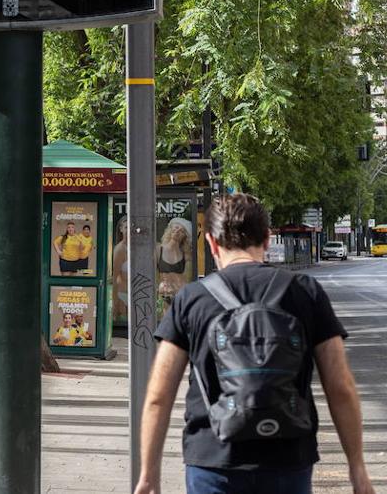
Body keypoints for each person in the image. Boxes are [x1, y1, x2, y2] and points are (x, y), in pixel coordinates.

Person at [134, 194, 373, 494]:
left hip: (212, 460)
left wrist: (149, 474)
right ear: (267, 238)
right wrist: (357, 469)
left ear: (211, 242)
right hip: (288, 460)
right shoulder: (306, 292)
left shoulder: (191, 299)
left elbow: (159, 395)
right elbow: (340, 387)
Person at [157, 217, 193, 309]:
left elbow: (187, 280)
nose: (177, 231)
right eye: (176, 227)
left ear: (184, 236)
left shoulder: (186, 255)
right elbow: (152, 275)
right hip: (161, 296)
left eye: (181, 231)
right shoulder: (158, 250)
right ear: (171, 229)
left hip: (178, 297)